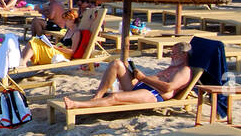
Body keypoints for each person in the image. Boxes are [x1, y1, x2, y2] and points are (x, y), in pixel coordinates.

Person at [63, 43, 192, 111]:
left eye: (175, 54)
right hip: (142, 85)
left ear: (184, 55)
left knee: (115, 97)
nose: (171, 56)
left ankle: (76, 105)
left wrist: (143, 78)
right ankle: (98, 96)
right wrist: (138, 76)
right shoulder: (173, 67)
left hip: (152, 94)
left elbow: (169, 88)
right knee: (116, 64)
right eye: (172, 53)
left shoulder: (184, 70)